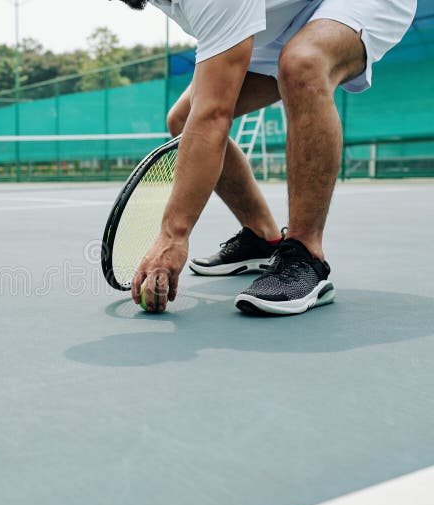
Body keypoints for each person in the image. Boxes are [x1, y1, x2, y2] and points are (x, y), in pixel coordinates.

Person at [118, 0, 416, 315]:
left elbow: (214, 115)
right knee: (184, 118)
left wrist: (172, 235)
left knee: (304, 63)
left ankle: (306, 255)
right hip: (288, 17)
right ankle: (262, 236)